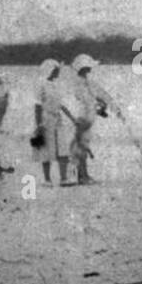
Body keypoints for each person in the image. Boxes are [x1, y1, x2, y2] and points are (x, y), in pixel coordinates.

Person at [66, 53, 117, 185]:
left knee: (82, 146)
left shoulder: (84, 82)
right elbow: (86, 102)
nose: (91, 69)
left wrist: (100, 107)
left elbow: (91, 101)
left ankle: (83, 175)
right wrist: (99, 105)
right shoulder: (80, 84)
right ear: (84, 68)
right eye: (89, 67)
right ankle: (82, 176)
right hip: (83, 119)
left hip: (86, 118)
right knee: (81, 147)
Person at [31, 58, 71, 186]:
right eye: (57, 69)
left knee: (62, 148)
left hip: (57, 119)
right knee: (45, 150)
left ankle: (64, 178)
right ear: (51, 70)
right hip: (45, 119)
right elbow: (37, 105)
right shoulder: (41, 84)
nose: (58, 72)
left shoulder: (56, 84)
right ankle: (47, 179)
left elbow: (61, 105)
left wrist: (73, 118)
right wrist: (39, 125)